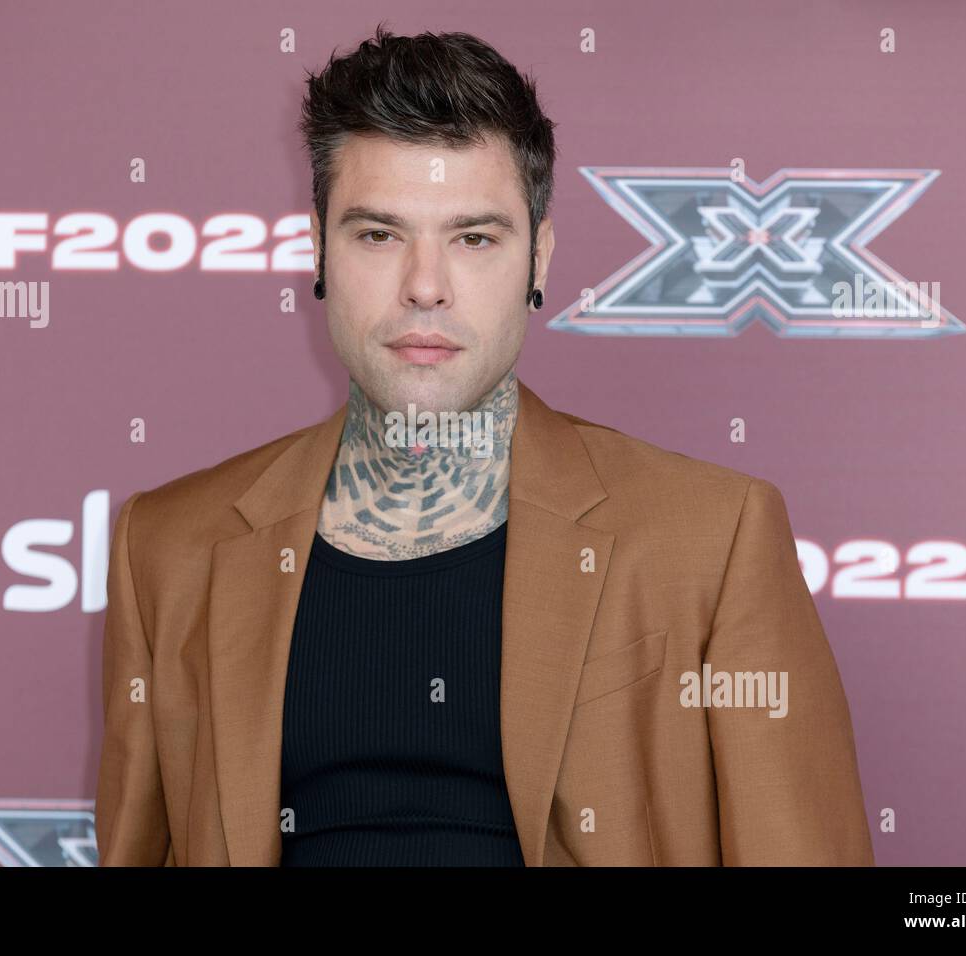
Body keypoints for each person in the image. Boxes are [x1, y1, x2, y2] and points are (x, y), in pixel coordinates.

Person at [96, 23, 874, 866]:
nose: (425, 286)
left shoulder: (713, 538)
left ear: (538, 256)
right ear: (317, 247)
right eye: (378, 234)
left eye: (474, 238)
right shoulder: (168, 548)